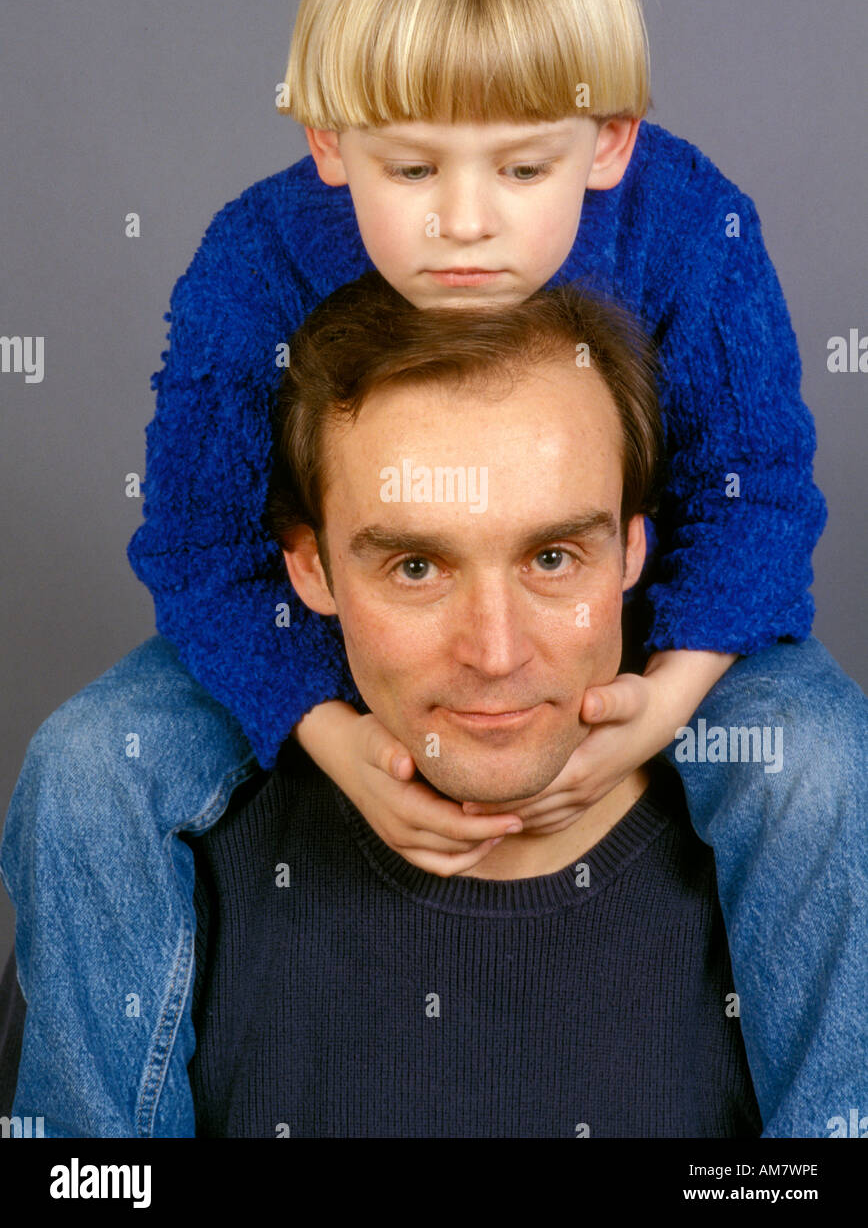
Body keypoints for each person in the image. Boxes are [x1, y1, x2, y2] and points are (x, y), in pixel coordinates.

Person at [1, 0, 865, 1139]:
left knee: (812, 764)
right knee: (80, 768)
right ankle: (95, 1161)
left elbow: (757, 506)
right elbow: (196, 544)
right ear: (330, 141)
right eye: (413, 170)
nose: (467, 222)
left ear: (609, 139)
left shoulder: (696, 230)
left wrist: (658, 709)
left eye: (523, 170)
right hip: (304, 630)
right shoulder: (256, 260)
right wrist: (325, 728)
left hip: (658, 621)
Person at [2, 279, 764, 1137]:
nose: (496, 651)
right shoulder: (142, 868)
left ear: (631, 550)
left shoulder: (795, 872)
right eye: (415, 568)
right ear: (312, 570)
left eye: (553, 557)